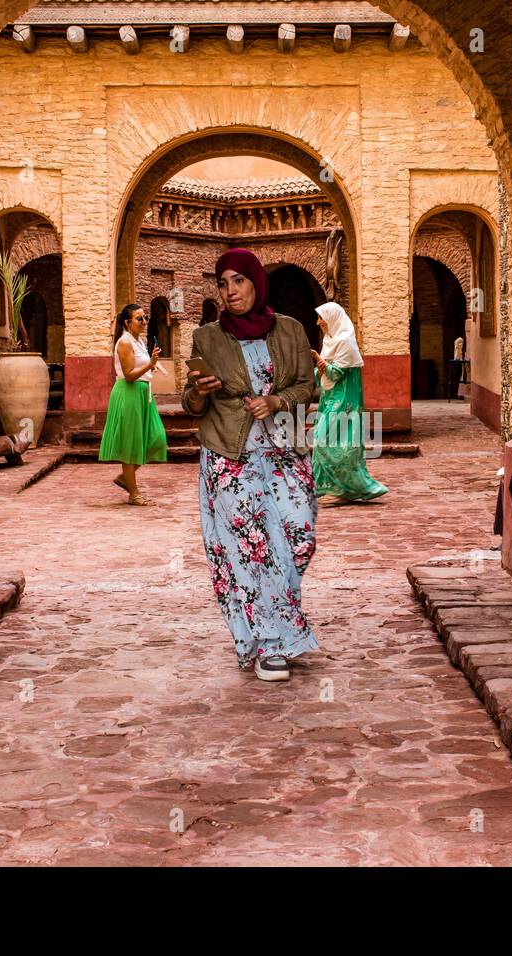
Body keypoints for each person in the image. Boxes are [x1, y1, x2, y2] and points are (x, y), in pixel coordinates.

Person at [183, 248, 318, 683]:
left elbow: (306, 385)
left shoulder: (291, 330)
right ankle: (269, 643)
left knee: (299, 538)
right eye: (222, 283)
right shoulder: (207, 338)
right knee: (253, 549)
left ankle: (278, 620)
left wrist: (276, 400)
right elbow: (191, 403)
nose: (229, 291)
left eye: (238, 281)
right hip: (229, 456)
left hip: (284, 451)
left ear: (256, 283)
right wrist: (201, 392)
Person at [310, 302, 389, 505]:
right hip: (330, 398)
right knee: (325, 440)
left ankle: (342, 490)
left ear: (332, 318)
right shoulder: (330, 339)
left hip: (344, 400)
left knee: (330, 441)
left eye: (321, 318)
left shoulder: (345, 341)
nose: (318, 322)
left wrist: (319, 361)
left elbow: (336, 372)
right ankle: (330, 487)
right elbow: (323, 374)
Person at [99, 303, 167, 504]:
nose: (144, 321)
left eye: (145, 317)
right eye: (139, 318)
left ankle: (124, 478)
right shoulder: (125, 342)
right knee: (131, 444)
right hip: (129, 394)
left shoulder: (138, 341)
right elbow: (128, 375)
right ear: (128, 323)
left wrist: (151, 367)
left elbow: (140, 369)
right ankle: (134, 494)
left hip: (143, 394)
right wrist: (150, 364)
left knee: (157, 438)